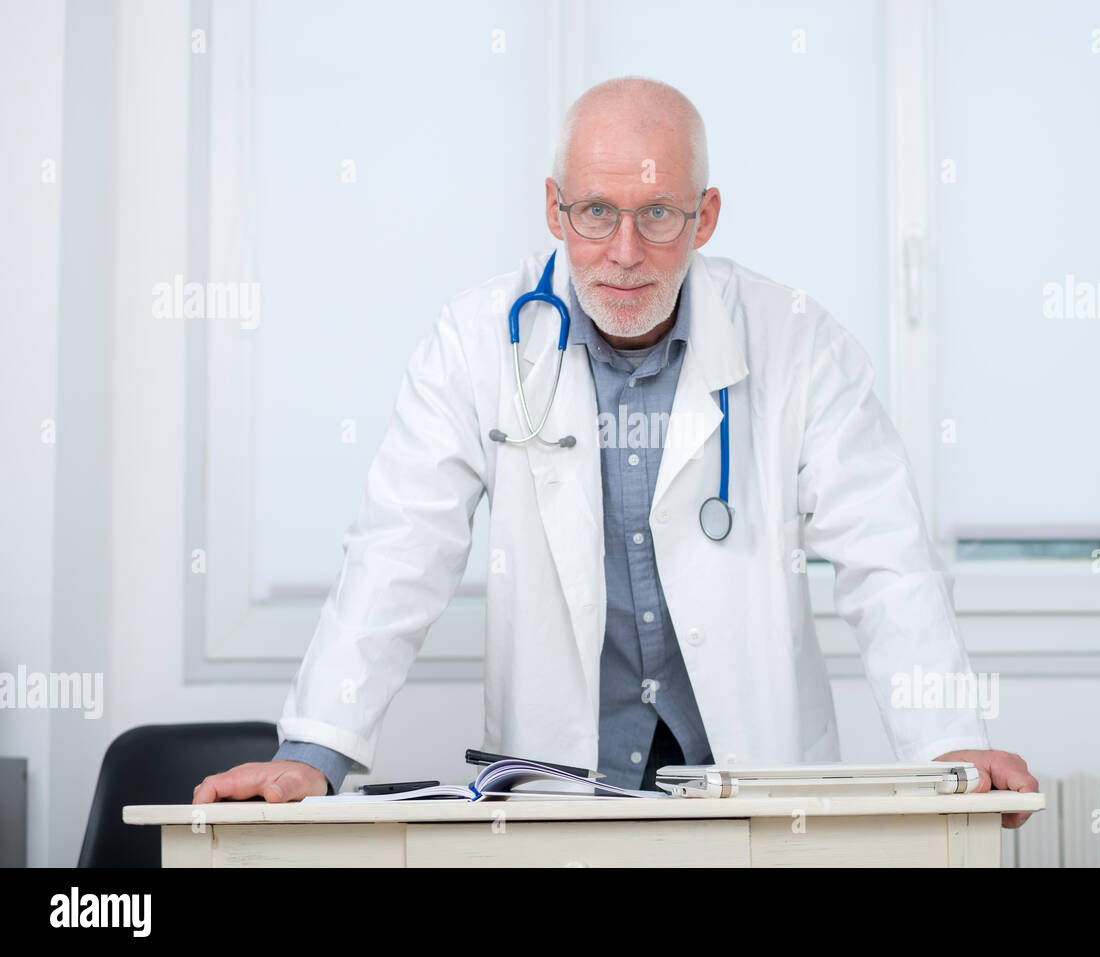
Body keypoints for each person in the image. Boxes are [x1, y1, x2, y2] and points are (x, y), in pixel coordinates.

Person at [194, 76, 1038, 827]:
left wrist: (949, 742)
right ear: (555, 208)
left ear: (704, 215)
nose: (625, 253)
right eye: (597, 212)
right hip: (561, 790)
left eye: (658, 214)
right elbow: (398, 551)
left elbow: (886, 556)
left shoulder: (799, 343)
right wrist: (315, 749)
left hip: (757, 784)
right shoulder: (475, 341)